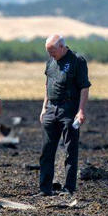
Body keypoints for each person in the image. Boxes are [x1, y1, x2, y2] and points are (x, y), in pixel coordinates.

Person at [37, 34, 91, 196]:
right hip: (51, 109)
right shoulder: (50, 62)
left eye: (52, 50)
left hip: (69, 109)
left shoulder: (77, 61)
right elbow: (48, 85)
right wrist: (44, 108)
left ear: (62, 47)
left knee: (70, 149)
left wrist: (81, 110)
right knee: (46, 150)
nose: (50, 54)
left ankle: (68, 188)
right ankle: (45, 189)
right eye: (48, 51)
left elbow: (84, 87)